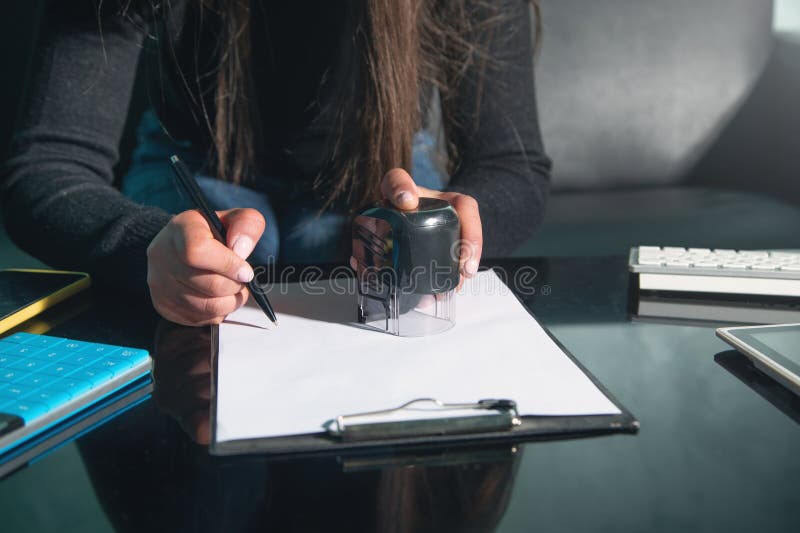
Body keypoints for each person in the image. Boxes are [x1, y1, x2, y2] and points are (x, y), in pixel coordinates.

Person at [1, 0, 551, 326]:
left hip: (379, 169)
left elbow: (510, 164)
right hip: (196, 161)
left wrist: (454, 225)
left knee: (328, 249)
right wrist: (140, 243)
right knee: (231, 264)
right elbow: (49, 166)